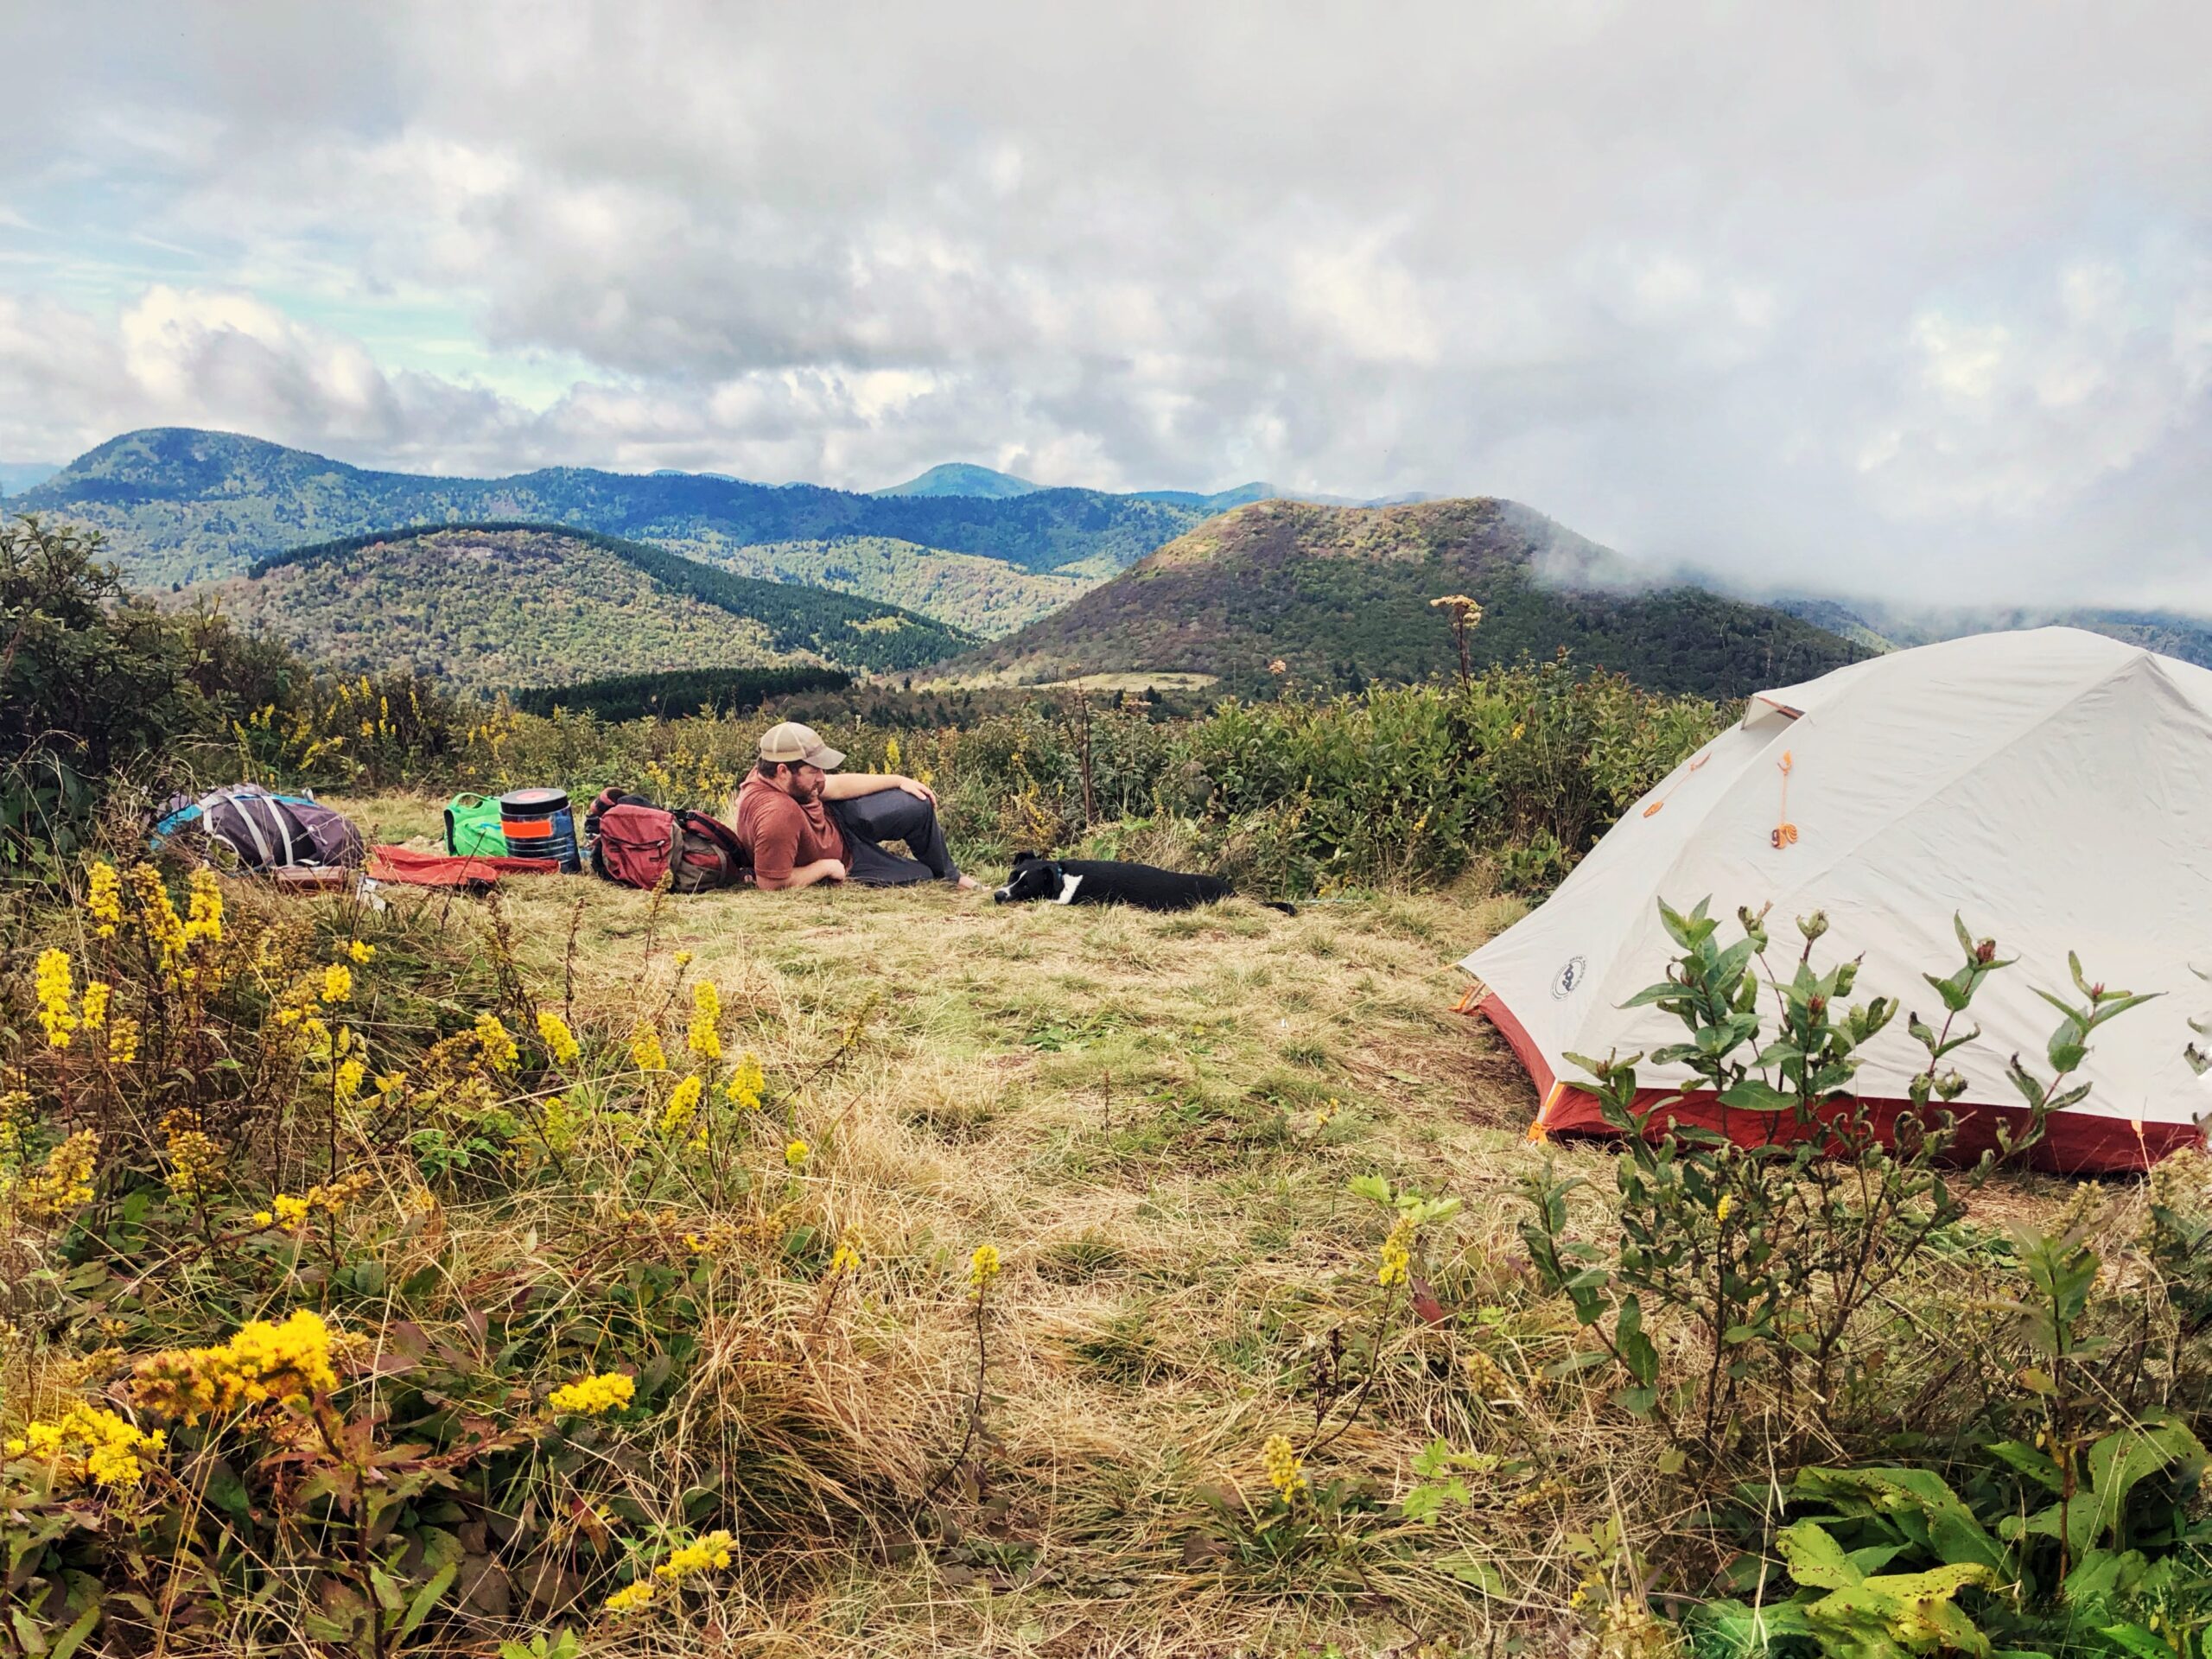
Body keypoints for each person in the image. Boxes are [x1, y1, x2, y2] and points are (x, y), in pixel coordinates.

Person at [731, 721, 977, 891]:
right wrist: (823, 867)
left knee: (917, 804)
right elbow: (770, 884)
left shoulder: (776, 775)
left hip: (838, 821)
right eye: (814, 769)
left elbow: (835, 786)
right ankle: (943, 877)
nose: (821, 777)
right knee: (925, 875)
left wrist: (899, 781)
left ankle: (952, 875)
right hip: (849, 861)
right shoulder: (778, 814)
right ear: (783, 771)